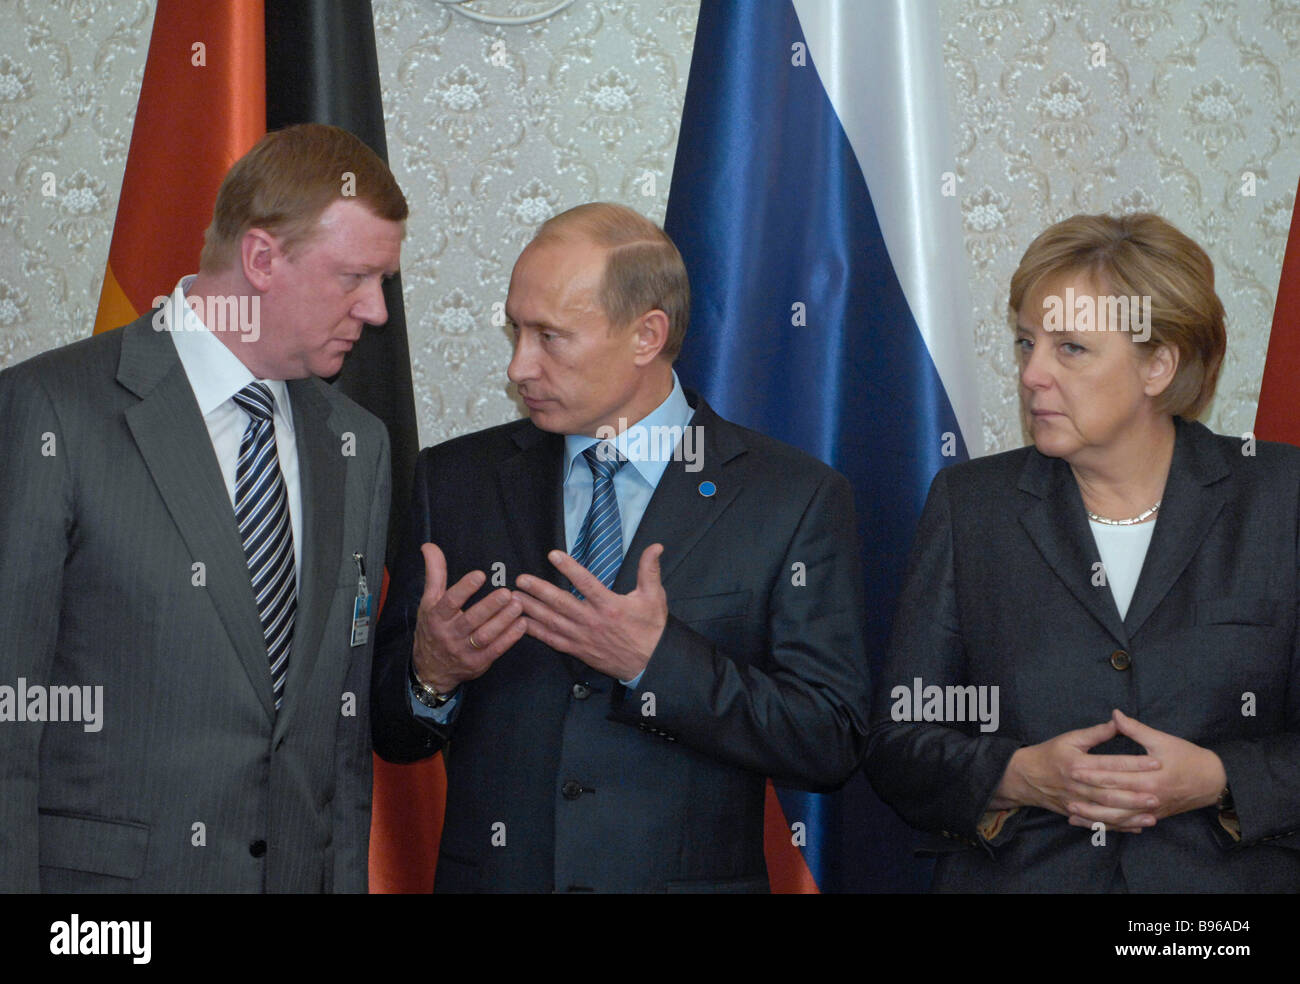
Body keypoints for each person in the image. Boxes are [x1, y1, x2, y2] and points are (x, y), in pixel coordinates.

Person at [372, 202, 870, 893]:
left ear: (647, 336)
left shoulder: (791, 498)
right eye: (515, 330)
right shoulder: (454, 480)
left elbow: (829, 737)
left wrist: (656, 663)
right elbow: (390, 733)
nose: (520, 365)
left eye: (551, 337)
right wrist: (429, 675)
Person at [0, 123, 405, 892]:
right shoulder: (52, 412)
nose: (376, 310)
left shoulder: (358, 444)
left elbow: (342, 744)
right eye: (354, 277)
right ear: (260, 259)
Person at [864, 212, 1300, 892]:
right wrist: (1020, 777)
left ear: (1159, 364)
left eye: (1070, 349)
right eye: (1025, 343)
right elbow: (901, 743)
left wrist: (1218, 780)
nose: (1032, 374)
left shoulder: (1280, 498)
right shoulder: (971, 505)